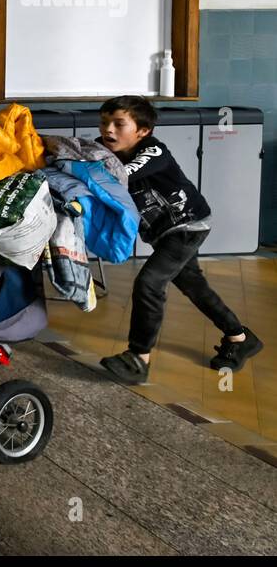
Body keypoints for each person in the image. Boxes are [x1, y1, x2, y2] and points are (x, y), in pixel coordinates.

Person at [96, 95, 261, 383]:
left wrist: (86, 167)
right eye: (104, 122)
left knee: (149, 283)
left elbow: (120, 175)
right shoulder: (104, 149)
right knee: (194, 286)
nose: (108, 130)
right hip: (162, 233)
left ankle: (138, 357)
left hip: (188, 225)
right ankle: (239, 337)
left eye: (119, 124)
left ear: (143, 131)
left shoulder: (153, 151)